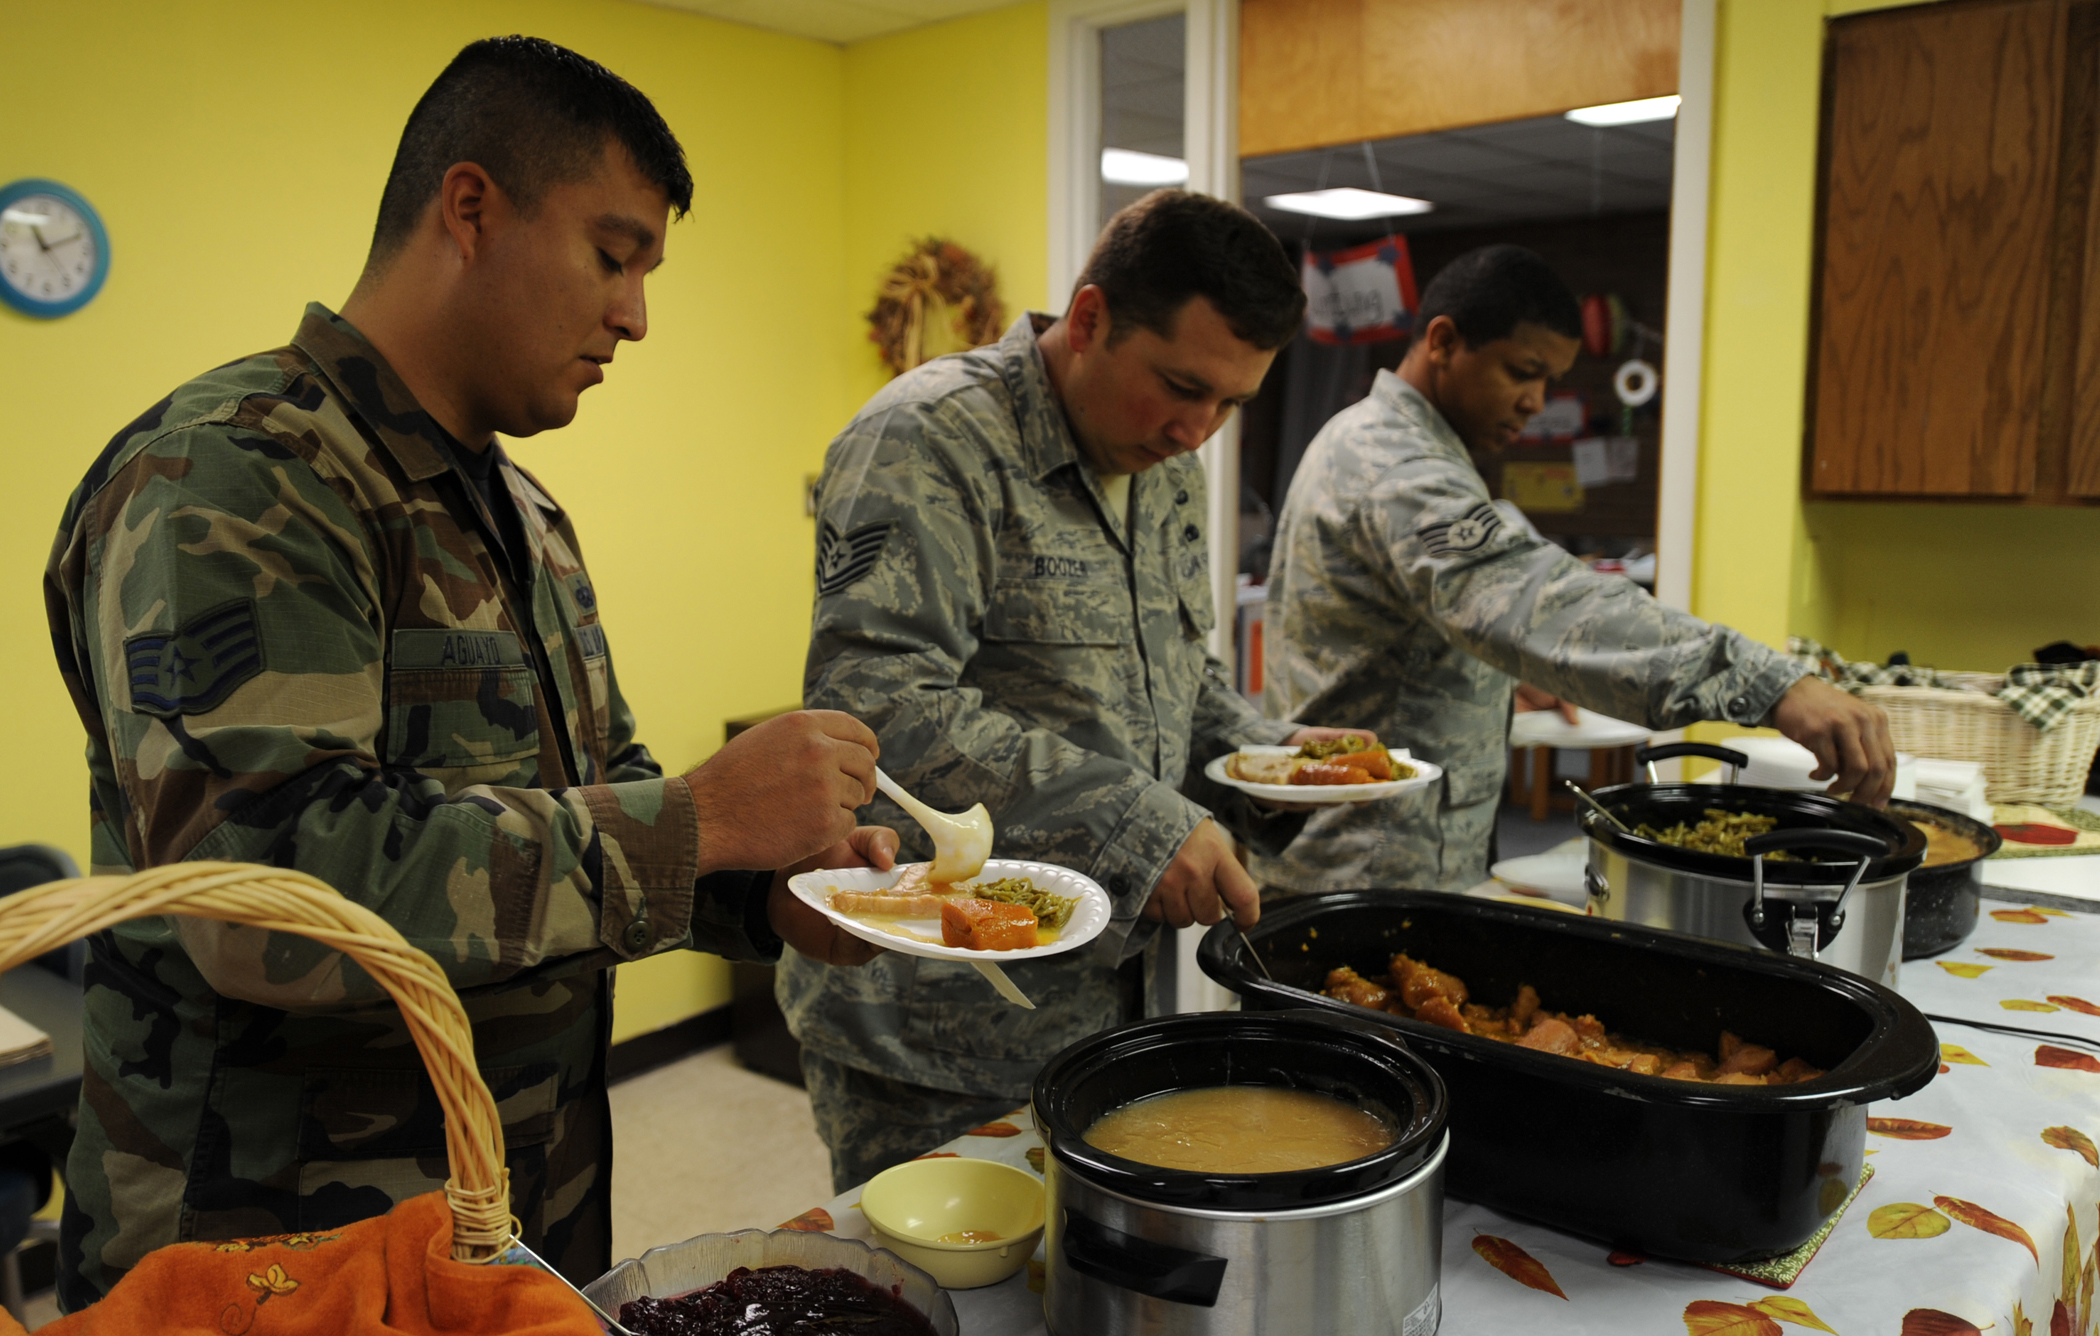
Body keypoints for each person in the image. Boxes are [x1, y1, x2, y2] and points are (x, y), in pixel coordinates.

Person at [43, 36, 887, 1308]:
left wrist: (766, 891)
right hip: (272, 1254)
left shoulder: (522, 512)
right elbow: (271, 899)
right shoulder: (234, 478)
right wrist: (708, 817)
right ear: (473, 209)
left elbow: (602, 796)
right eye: (612, 257)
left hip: (511, 1208)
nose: (637, 316)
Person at [783, 190, 1365, 1189]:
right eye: (1182, 386)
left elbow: (1179, 685)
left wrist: (1278, 758)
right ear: (1089, 320)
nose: (1199, 431)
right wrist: (1141, 825)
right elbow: (878, 702)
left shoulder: (1165, 470)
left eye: (1233, 404)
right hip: (936, 1023)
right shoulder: (930, 440)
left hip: (1109, 1000)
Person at [1256, 244, 1895, 896]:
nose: (1535, 401)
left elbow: (1423, 622)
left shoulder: (1381, 439)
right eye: (1522, 370)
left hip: (1379, 848)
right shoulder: (1397, 464)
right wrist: (1772, 685)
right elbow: (1533, 600)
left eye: (1549, 381)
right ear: (1444, 341)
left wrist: (1490, 674)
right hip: (1363, 863)